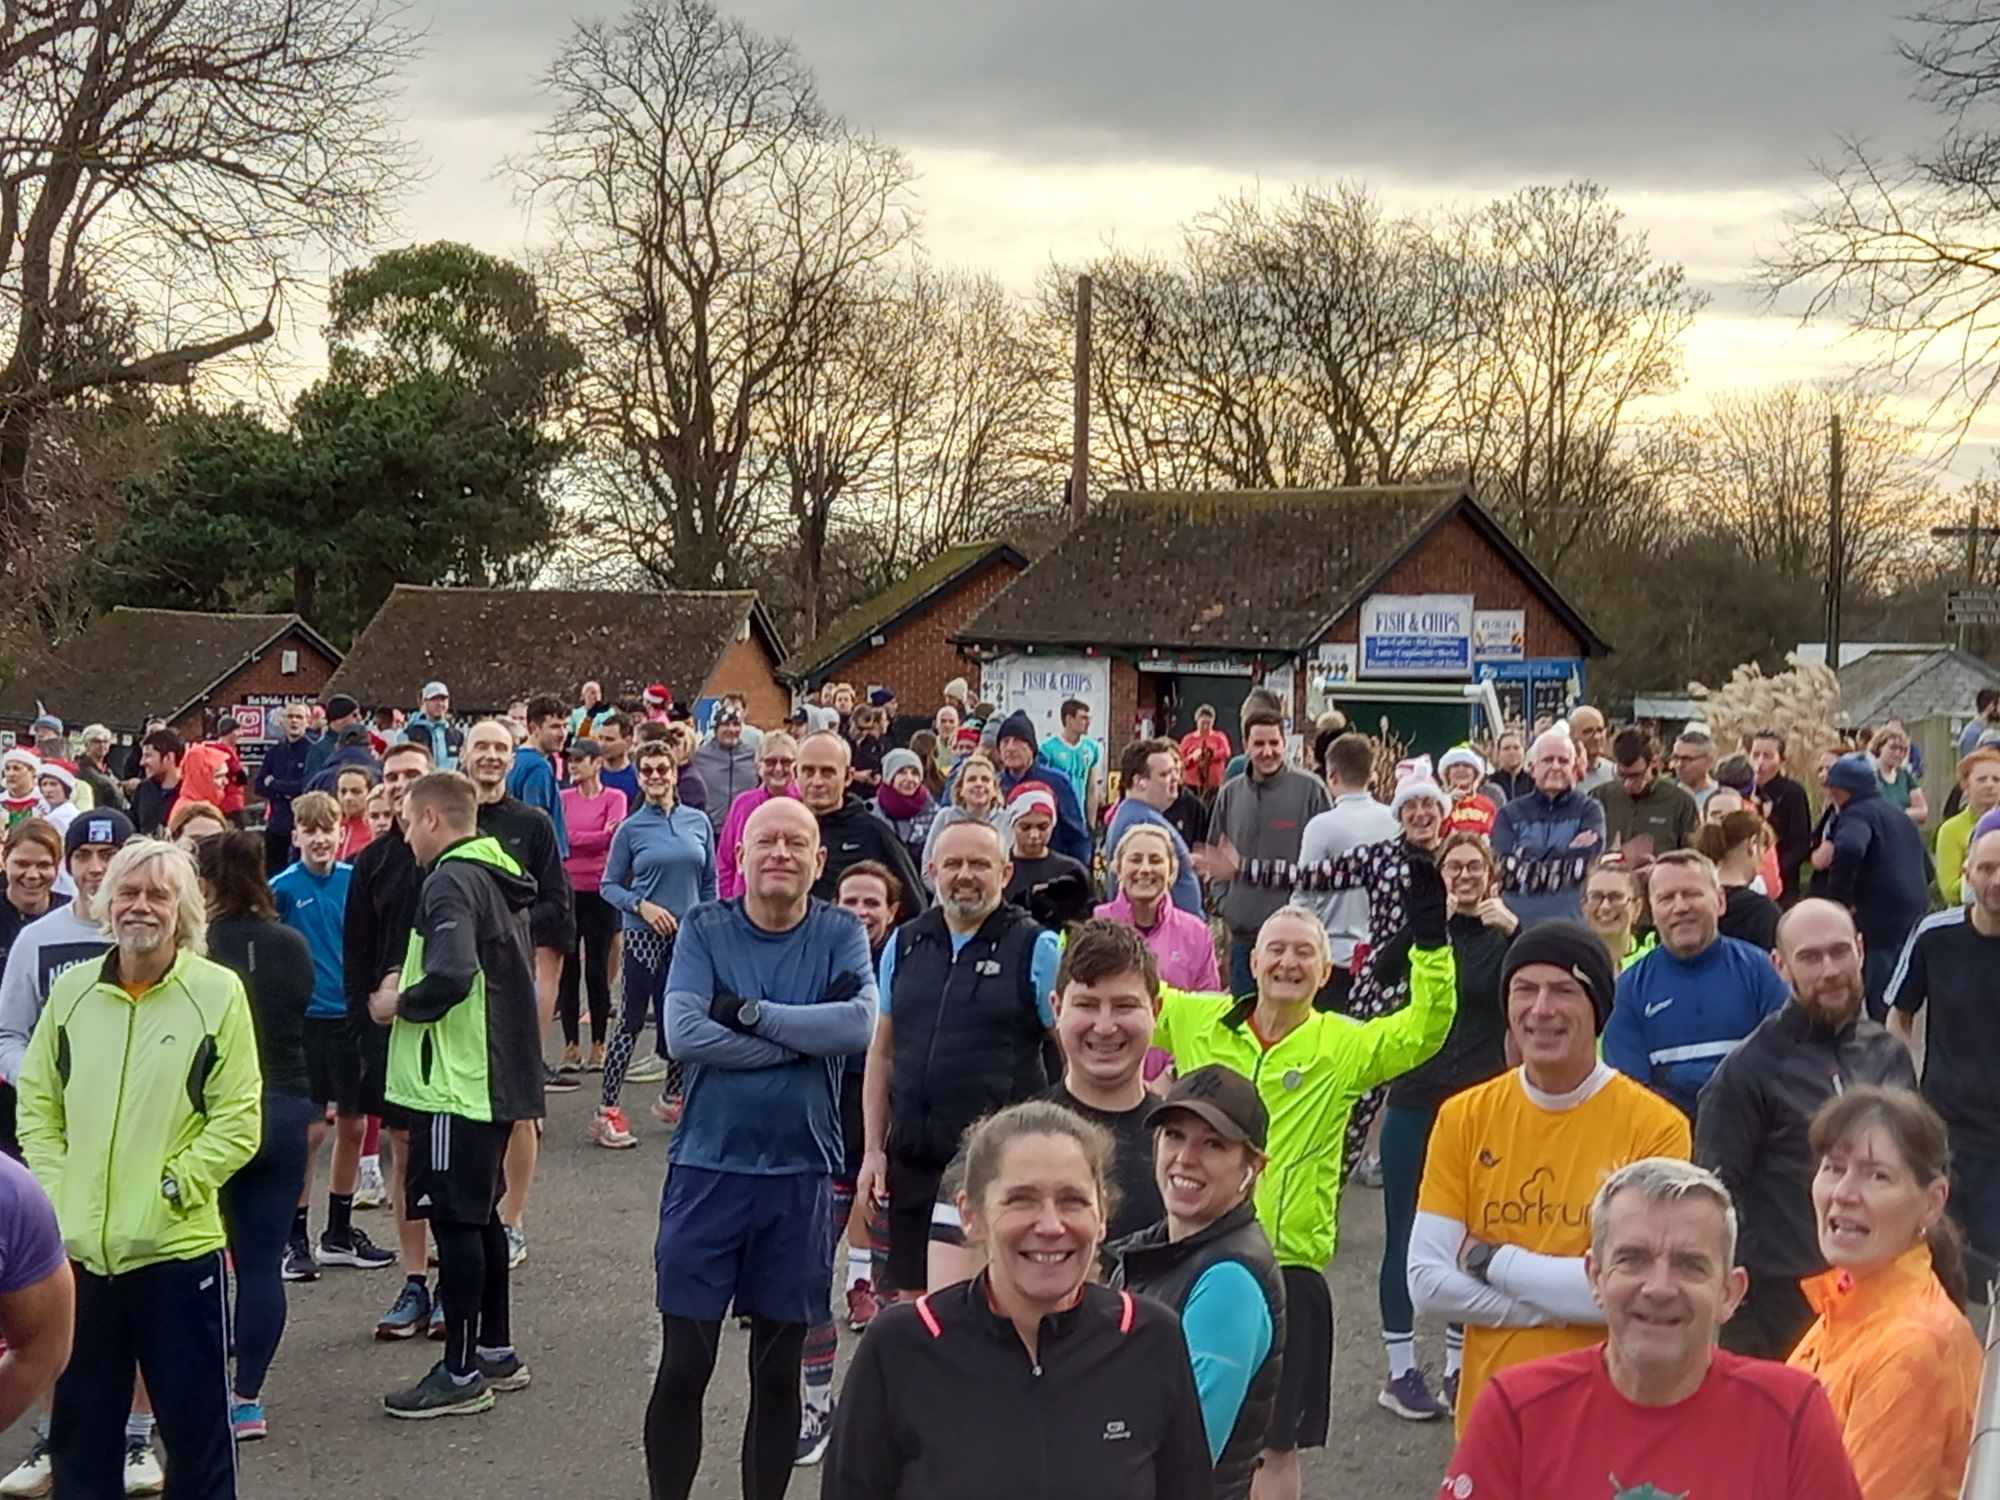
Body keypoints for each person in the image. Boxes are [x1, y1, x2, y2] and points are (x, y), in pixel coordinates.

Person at [1153, 889, 1459, 1500]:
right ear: (1252, 960)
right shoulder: (1197, 1019)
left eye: (1303, 954)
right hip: (1189, 1255)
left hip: (1287, 1266)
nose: (1287, 963)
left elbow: (1424, 1030)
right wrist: (1068, 926)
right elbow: (1121, 991)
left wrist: (1430, 949)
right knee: (1170, 1422)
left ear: (1325, 972)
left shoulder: (1343, 1044)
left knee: (1274, 1444)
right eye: (1276, 950)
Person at [646, 796, 874, 1500]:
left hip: (799, 1176)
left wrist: (748, 1015)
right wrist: (797, 1042)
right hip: (707, 1171)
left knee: (775, 1372)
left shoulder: (840, 932)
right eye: (765, 840)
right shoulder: (706, 929)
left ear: (817, 859)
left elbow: (858, 1025)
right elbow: (683, 1034)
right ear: (739, 856)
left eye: (795, 842)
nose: (780, 853)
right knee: (686, 1362)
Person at [19, 838, 262, 1496]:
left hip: (176, 1253)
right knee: (80, 1442)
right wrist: (56, 1187)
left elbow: (238, 1120)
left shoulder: (217, 994)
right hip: (79, 1257)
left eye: (157, 893)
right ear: (105, 903)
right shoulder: (73, 993)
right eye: (127, 892)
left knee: (199, 1440)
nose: (140, 906)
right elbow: (38, 1101)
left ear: (183, 908)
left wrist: (175, 1183)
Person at [821, 1101, 1212, 1500]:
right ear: (971, 1215)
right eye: (1021, 1200)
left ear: (1102, 1215)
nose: (1050, 1225)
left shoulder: (1150, 1338)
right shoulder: (901, 1344)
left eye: (1072, 1200)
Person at [1440, 1157, 1865, 1499]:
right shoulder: (1517, 1412)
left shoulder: (1791, 1414)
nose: (1659, 1288)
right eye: (1633, 1259)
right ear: (1595, 1278)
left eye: (1689, 1264)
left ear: (1729, 1293)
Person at [1410, 920, 1692, 1434]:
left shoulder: (1656, 1128)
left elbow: (1638, 1292)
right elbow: (1427, 1284)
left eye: (1563, 990)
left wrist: (1490, 1260)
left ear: (1598, 1009)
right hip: (1493, 1416)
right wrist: (1560, 1305)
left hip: (1608, 1418)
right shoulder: (1463, 1116)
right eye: (1525, 989)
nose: (1541, 1010)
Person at [371, 770, 541, 1419]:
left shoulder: (448, 880)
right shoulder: (493, 872)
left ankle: (461, 1370)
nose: (405, 831)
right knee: (483, 1215)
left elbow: (451, 972)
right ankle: (496, 1348)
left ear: (434, 820)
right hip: (492, 1077)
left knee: (455, 1223)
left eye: (409, 819)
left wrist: (396, 1004)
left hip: (455, 1081)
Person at [1695, 900, 1916, 1360]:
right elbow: (1715, 1198)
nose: (1830, 970)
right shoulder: (1748, 1072)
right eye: (1810, 958)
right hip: (1781, 1317)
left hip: (1886, 1300)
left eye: (1839, 952)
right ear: (1780, 966)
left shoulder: (1889, 1054)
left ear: (1860, 949)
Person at [858, 817, 1060, 1297]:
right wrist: (873, 1151)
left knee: (986, 1309)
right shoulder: (904, 943)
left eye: (979, 864)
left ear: (1005, 874)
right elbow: (881, 1052)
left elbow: (1068, 1054)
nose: (964, 874)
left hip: (994, 1168)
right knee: (914, 1311)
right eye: (953, 863)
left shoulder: (1037, 947)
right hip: (913, 1162)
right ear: (932, 870)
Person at [926, 918, 1174, 1291]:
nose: (1105, 1026)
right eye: (1087, 1005)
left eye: (1124, 1005)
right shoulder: (998, 1145)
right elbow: (947, 1304)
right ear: (1056, 1008)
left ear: (1155, 1010)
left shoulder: (1184, 1151)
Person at [1375, 832, 1515, 1423]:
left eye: (1472, 867)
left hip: (1478, 1104)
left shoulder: (1507, 937)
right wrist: (1421, 921)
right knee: (1404, 1230)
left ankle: (1460, 1367)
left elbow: (1539, 985)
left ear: (1490, 875)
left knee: (1473, 1234)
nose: (1462, 875)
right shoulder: (1426, 931)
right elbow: (1382, 974)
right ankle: (1401, 1370)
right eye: (1452, 867)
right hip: (1414, 1097)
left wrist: (1515, 928)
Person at [1789, 1086, 1981, 1500]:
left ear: (1932, 1203)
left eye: (1877, 1176)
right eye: (1833, 1168)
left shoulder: (1913, 1345)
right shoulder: (1845, 1300)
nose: (1843, 1193)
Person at [1109, 1065, 1284, 1500]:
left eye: (1214, 1145)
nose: (1186, 1158)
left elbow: (1184, 1453)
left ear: (1252, 1167)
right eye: (1174, 1136)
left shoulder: (1229, 1283)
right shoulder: (1152, 1250)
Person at [197, 832, 316, 1442]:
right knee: (264, 1261)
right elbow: (307, 1019)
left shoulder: (194, 950)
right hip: (287, 1105)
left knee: (202, 1255)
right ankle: (247, 1397)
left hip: (214, 1115)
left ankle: (197, 1381)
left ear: (207, 883)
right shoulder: (292, 944)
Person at [796, 859, 908, 1462]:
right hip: (821, 1154)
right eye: (850, 902)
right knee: (809, 1286)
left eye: (873, 904)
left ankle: (886, 1417)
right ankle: (816, 1409)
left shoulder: (908, 969)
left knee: (899, 1298)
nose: (861, 913)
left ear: (893, 912)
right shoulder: (815, 962)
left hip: (893, 1159)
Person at [463, 719, 574, 1263]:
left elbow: (558, 904)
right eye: (481, 746)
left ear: (514, 759)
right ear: (463, 756)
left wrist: (507, 920)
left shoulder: (532, 825)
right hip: (451, 984)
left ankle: (512, 1222)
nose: (490, 756)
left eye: (500, 749)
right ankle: (465, 1218)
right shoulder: (448, 817)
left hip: (508, 984)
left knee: (519, 1107)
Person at [343, 740, 440, 1340]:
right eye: (394, 776)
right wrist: (365, 1026)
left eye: (414, 775)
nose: (402, 784)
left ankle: (456, 1277)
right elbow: (356, 954)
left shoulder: (459, 857)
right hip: (389, 1032)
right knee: (403, 1151)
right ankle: (413, 1281)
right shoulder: (374, 862)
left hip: (453, 1031)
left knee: (454, 1158)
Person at [1886, 824, 2000, 1290]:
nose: (1997, 881)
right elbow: (1899, 1014)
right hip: (1952, 1135)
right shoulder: (1936, 934)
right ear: (1966, 873)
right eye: (1987, 868)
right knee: (1949, 1270)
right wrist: (1904, 1094)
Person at [1602, 850, 1790, 1119]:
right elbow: (1630, 1094)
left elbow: (1785, 1068)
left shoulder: (1761, 972)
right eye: (1666, 898)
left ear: (1721, 901)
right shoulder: (1629, 990)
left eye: (1692, 894)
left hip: (1755, 1134)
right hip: (1667, 1142)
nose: (1680, 907)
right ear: (1651, 911)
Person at [594, 740, 714, 1147]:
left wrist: (706, 923)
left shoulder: (697, 822)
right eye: (648, 771)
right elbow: (608, 885)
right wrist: (642, 907)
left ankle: (673, 1096)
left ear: (674, 772)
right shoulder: (631, 829)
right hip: (643, 935)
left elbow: (709, 882)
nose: (657, 777)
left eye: (663, 769)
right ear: (640, 777)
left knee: (679, 1015)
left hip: (687, 936)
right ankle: (607, 1110)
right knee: (630, 1019)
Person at [1205, 706, 1332, 997]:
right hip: (1243, 940)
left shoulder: (1311, 790)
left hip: (1297, 943)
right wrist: (1226, 903)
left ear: (1284, 744)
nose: (1267, 751)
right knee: (1242, 1026)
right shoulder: (1230, 794)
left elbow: (1329, 865)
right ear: (1246, 745)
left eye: (1274, 743)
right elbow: (1216, 856)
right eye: (1259, 744)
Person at [1291, 731, 1398, 1013]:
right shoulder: (1395, 822)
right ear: (1372, 773)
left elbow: (1304, 897)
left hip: (1334, 960)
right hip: (1385, 958)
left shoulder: (1321, 827)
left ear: (1332, 776)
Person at [1821, 752, 1931, 1018]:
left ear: (1841, 790)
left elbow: (1849, 847)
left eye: (1832, 788)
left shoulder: (1855, 815)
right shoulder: (1898, 814)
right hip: (1913, 911)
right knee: (1902, 993)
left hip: (1879, 917)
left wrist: (1840, 901)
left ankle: (1880, 1049)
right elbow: (1927, 868)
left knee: (1880, 997)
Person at [1489, 727, 1606, 927]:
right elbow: (1505, 870)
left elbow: (1584, 867)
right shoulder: (1509, 814)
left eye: (1563, 761)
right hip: (1515, 928)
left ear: (1574, 767)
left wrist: (1526, 860)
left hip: (1572, 926)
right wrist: (1566, 855)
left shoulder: (1590, 810)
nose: (1555, 766)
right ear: (1532, 768)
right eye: (1548, 760)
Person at [559, 738, 627, 1075]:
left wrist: (578, 838)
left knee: (596, 970)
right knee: (568, 969)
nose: (573, 766)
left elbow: (610, 838)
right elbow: (563, 838)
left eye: (580, 760)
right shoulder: (562, 799)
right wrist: (588, 838)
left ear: (596, 763)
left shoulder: (615, 798)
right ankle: (570, 1045)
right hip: (569, 891)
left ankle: (599, 1043)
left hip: (600, 891)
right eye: (570, 760)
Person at [797, 731, 924, 906]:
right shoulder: (784, 831)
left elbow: (913, 906)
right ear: (795, 773)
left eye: (827, 772)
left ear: (848, 776)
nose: (817, 781)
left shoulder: (873, 834)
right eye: (808, 771)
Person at [1095, 824, 1219, 991]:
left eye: (1155, 860)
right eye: (1135, 860)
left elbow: (1209, 1002)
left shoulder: (1196, 933)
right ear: (1118, 868)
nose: (1145, 869)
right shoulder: (1097, 924)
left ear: (1172, 870)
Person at [1104, 737, 1204, 915]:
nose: (1175, 780)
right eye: (1164, 774)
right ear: (1139, 781)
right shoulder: (1140, 824)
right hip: (1163, 937)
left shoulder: (1138, 815)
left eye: (1175, 772)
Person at [1591, 727, 1697, 865]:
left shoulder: (1681, 803)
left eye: (1636, 775)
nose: (1628, 784)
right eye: (1622, 775)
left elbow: (1691, 858)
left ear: (1653, 762)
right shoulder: (1600, 797)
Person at [716, 732, 798, 901]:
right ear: (758, 766)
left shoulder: (804, 805)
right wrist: (728, 902)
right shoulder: (743, 804)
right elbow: (725, 861)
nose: (778, 768)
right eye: (770, 761)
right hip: (744, 905)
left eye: (786, 762)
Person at [1693, 809, 1782, 949]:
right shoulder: (1762, 912)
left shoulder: (1693, 902)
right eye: (1764, 849)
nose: (1764, 860)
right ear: (1752, 845)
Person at [920, 747, 1010, 878]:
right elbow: (927, 870)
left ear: (995, 789)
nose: (979, 784)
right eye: (972, 779)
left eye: (985, 780)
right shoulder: (945, 817)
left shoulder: (1007, 821)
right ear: (960, 789)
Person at [1000, 782, 1089, 911]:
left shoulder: (1071, 870)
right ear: (1013, 826)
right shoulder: (998, 870)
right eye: (1025, 827)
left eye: (1042, 827)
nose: (1034, 835)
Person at [1750, 728, 1814, 905]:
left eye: (1768, 756)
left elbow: (1800, 843)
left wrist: (1775, 870)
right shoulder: (1744, 791)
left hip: (1782, 883)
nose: (1760, 762)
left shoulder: (1792, 793)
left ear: (1781, 759)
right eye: (1755, 755)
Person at [506, 693, 570, 857]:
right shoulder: (538, 766)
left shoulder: (513, 759)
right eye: (555, 727)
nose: (562, 734)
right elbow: (535, 823)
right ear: (533, 728)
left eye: (565, 726)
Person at [1935, 746, 2000, 901]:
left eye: (1996, 779)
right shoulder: (1950, 830)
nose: (1990, 785)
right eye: (1982, 779)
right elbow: (1949, 890)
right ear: (1965, 785)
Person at [253, 704, 311, 871]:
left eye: (299, 717)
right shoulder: (274, 753)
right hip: (277, 826)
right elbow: (259, 786)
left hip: (301, 825)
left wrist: (275, 784)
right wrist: (286, 793)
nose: (294, 721)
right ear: (282, 721)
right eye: (290, 716)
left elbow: (305, 786)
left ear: (307, 722)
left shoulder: (312, 752)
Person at [1039, 697, 1103, 829]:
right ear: (1069, 719)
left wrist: (1091, 824)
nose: (1088, 722)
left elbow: (1092, 787)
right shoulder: (1048, 748)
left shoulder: (1091, 748)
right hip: (1057, 819)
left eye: (1088, 718)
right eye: (1083, 718)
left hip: (1080, 819)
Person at [692, 706, 758, 832]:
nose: (731, 729)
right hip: (711, 830)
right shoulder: (700, 756)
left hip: (744, 828)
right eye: (726, 724)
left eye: (736, 724)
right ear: (716, 728)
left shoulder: (751, 754)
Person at [872, 749, 937, 876]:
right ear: (889, 777)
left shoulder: (933, 812)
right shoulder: (872, 812)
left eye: (914, 773)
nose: (909, 779)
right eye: (902, 772)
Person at [1581, 859, 1654, 970]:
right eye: (1596, 896)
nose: (1605, 907)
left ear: (1637, 908)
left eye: (1616, 897)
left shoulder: (1652, 964)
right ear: (1584, 907)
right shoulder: (1571, 964)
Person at [1871, 722, 1929, 827]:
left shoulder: (1905, 776)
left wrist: (1897, 813)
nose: (1897, 753)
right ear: (1880, 747)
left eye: (1902, 750)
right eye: (1893, 748)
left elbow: (1923, 812)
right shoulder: (1869, 776)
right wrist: (1908, 813)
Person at [128, 729, 184, 837]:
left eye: (148, 756)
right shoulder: (143, 789)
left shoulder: (188, 793)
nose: (142, 763)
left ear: (168, 757)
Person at [402, 681, 462, 771]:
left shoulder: (457, 735)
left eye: (443, 699)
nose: (440, 704)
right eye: (434, 699)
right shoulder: (409, 733)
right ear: (424, 702)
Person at [1438, 746, 1497, 837]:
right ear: (1447, 773)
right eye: (1455, 765)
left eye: (1466, 765)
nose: (1461, 769)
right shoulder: (1438, 804)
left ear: (1475, 773)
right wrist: (1448, 805)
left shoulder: (1488, 805)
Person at [1179, 704, 1232, 798]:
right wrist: (1193, 757)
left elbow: (1226, 752)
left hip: (1214, 784)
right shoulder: (1188, 739)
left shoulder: (1219, 737)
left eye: (1209, 723)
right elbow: (1180, 760)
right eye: (1203, 723)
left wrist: (1210, 753)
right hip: (1192, 784)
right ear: (1197, 721)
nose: (1206, 726)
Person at [596, 711, 640, 809]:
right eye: (600, 738)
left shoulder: (639, 778)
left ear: (628, 742)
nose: (602, 744)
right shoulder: (590, 774)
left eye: (609, 739)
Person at [1670, 726, 1721, 811]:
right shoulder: (1664, 794)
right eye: (1675, 758)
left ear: (1709, 761)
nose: (1679, 764)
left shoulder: (1721, 798)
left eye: (1687, 759)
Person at [75, 725, 124, 813]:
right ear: (87, 744)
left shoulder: (107, 769)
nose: (102, 745)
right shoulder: (81, 768)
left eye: (105, 742)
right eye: (97, 741)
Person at [1566, 706, 1615, 792]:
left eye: (1600, 730)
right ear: (1572, 736)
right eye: (1588, 731)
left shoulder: (1614, 773)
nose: (1596, 737)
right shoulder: (1561, 774)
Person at [333, 764, 377, 859]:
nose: (348, 797)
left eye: (356, 791)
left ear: (369, 793)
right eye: (343, 791)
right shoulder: (330, 827)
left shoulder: (376, 827)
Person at [1481, 729, 1533, 804]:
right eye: (1506, 748)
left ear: (1524, 751)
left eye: (1516, 747)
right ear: (1498, 753)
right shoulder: (1490, 783)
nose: (1512, 752)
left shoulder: (1534, 781)